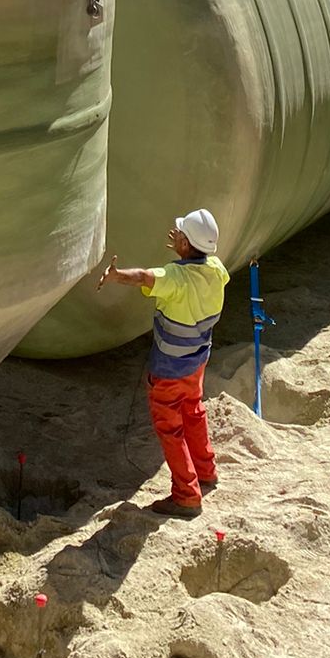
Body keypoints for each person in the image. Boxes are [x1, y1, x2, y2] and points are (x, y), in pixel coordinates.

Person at [99, 209, 229, 520]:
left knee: (171, 429)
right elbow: (195, 259)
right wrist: (187, 245)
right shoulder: (217, 269)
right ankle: (205, 471)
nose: (175, 235)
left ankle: (186, 497)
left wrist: (116, 276)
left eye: (180, 234)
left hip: (169, 369)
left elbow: (146, 277)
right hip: (197, 361)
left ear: (186, 245)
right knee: (194, 413)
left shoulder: (176, 278)